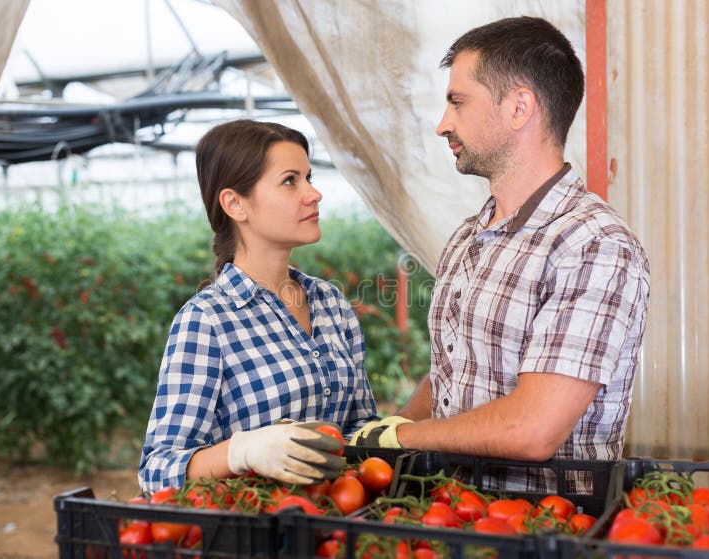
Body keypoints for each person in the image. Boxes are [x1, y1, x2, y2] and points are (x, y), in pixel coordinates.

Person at [353, 16, 650, 490]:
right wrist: (388, 435)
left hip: (540, 530)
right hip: (452, 515)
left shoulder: (592, 245)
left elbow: (532, 430)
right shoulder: (467, 238)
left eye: (457, 102)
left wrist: (406, 437)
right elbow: (453, 376)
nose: (442, 124)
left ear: (518, 108)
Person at [139, 119, 379, 491]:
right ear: (235, 203)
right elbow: (156, 471)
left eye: (309, 177)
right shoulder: (207, 322)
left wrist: (397, 432)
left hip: (336, 525)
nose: (314, 194)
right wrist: (241, 452)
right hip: (254, 528)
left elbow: (358, 427)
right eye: (290, 181)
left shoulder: (331, 304)